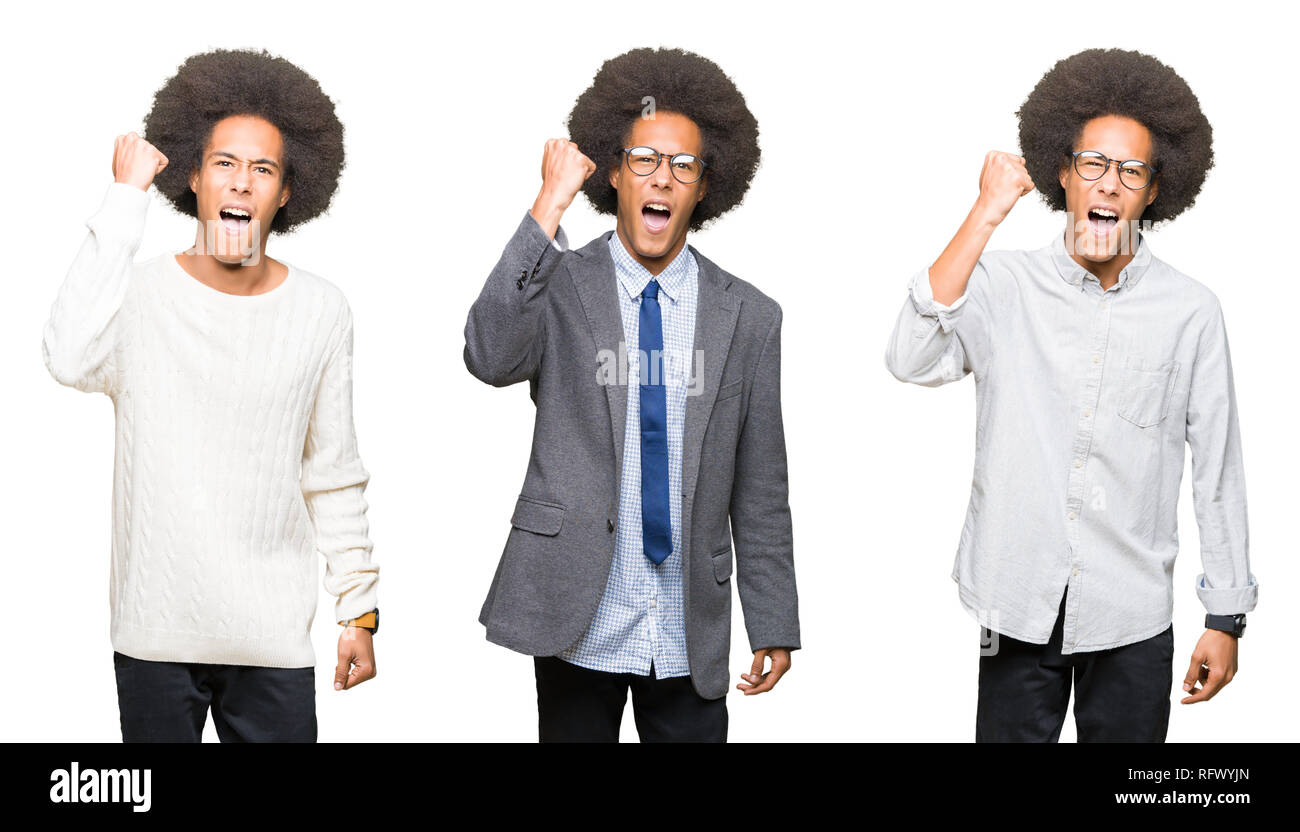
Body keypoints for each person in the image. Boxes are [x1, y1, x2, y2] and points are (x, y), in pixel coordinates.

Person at [886, 48, 1256, 742]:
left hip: (1133, 617)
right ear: (1063, 171)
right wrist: (985, 212)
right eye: (1092, 163)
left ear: (1153, 191)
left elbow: (1218, 469)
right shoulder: (1000, 287)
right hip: (1016, 603)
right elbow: (909, 356)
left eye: (1131, 170)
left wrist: (1225, 614)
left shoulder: (1192, 312)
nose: (1109, 185)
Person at [42, 49, 379, 743]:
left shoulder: (322, 311)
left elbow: (334, 474)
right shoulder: (137, 296)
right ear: (192, 176)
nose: (242, 182)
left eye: (263, 169)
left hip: (272, 644)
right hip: (155, 639)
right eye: (225, 162)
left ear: (286, 191)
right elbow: (68, 356)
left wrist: (359, 611)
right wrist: (124, 197)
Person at [464, 47, 799, 742]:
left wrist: (773, 620)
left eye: (683, 165)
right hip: (578, 615)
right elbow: (489, 357)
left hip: (687, 627)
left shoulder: (752, 318)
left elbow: (761, 487)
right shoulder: (556, 284)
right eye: (643, 159)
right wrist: (546, 205)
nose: (662, 178)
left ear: (705, 186)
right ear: (612, 172)